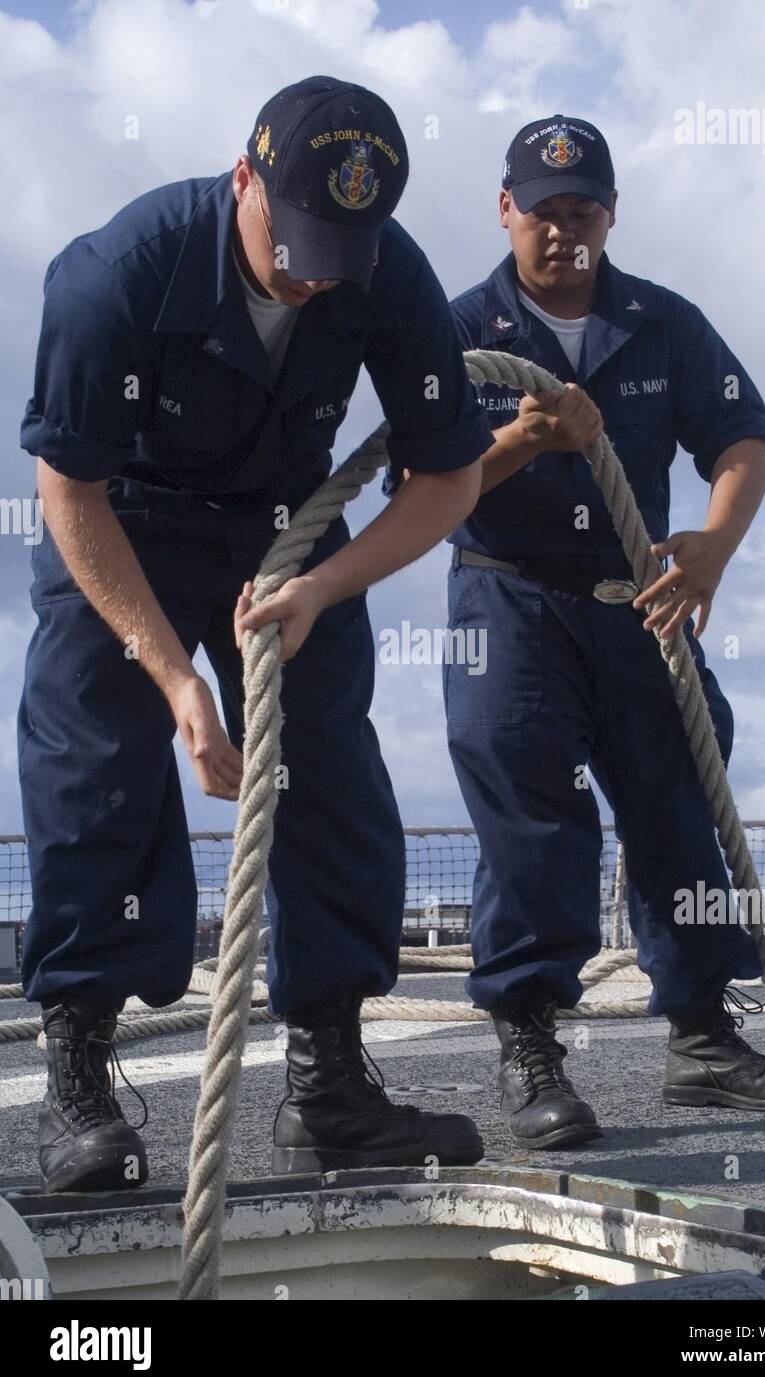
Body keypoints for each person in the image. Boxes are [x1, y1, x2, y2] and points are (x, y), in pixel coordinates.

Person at [17, 76, 505, 1193]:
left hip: (286, 535)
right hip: (125, 520)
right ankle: (82, 1080)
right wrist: (176, 676)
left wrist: (326, 585)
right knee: (93, 761)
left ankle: (331, 1085)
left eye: (340, 249)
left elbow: (448, 475)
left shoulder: (384, 274)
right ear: (243, 177)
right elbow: (69, 495)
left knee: (327, 767)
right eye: (294, 242)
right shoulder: (115, 278)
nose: (313, 271)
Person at [433, 114, 765, 1149]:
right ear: (503, 209)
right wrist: (523, 437)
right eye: (542, 212)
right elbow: (417, 484)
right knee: (529, 821)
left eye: (583, 212)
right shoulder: (452, 326)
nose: (561, 232)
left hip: (637, 595)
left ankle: (702, 1037)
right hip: (507, 600)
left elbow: (741, 437)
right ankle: (531, 1047)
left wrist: (711, 544)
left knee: (677, 804)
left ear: (609, 215)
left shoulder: (663, 321)